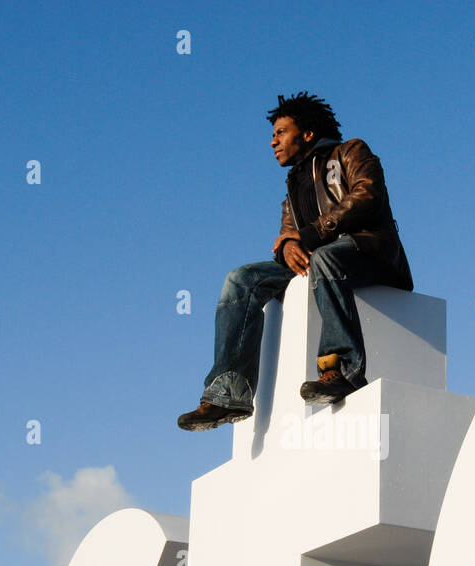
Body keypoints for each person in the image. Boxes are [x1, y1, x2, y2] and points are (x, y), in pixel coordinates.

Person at [177, 91, 413, 431]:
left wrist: (312, 234)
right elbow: (287, 236)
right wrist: (287, 245)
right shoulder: (293, 184)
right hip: (320, 257)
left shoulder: (351, 151)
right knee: (240, 279)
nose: (273, 142)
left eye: (280, 133)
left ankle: (340, 369)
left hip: (370, 252)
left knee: (326, 258)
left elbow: (368, 195)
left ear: (306, 133)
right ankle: (228, 394)